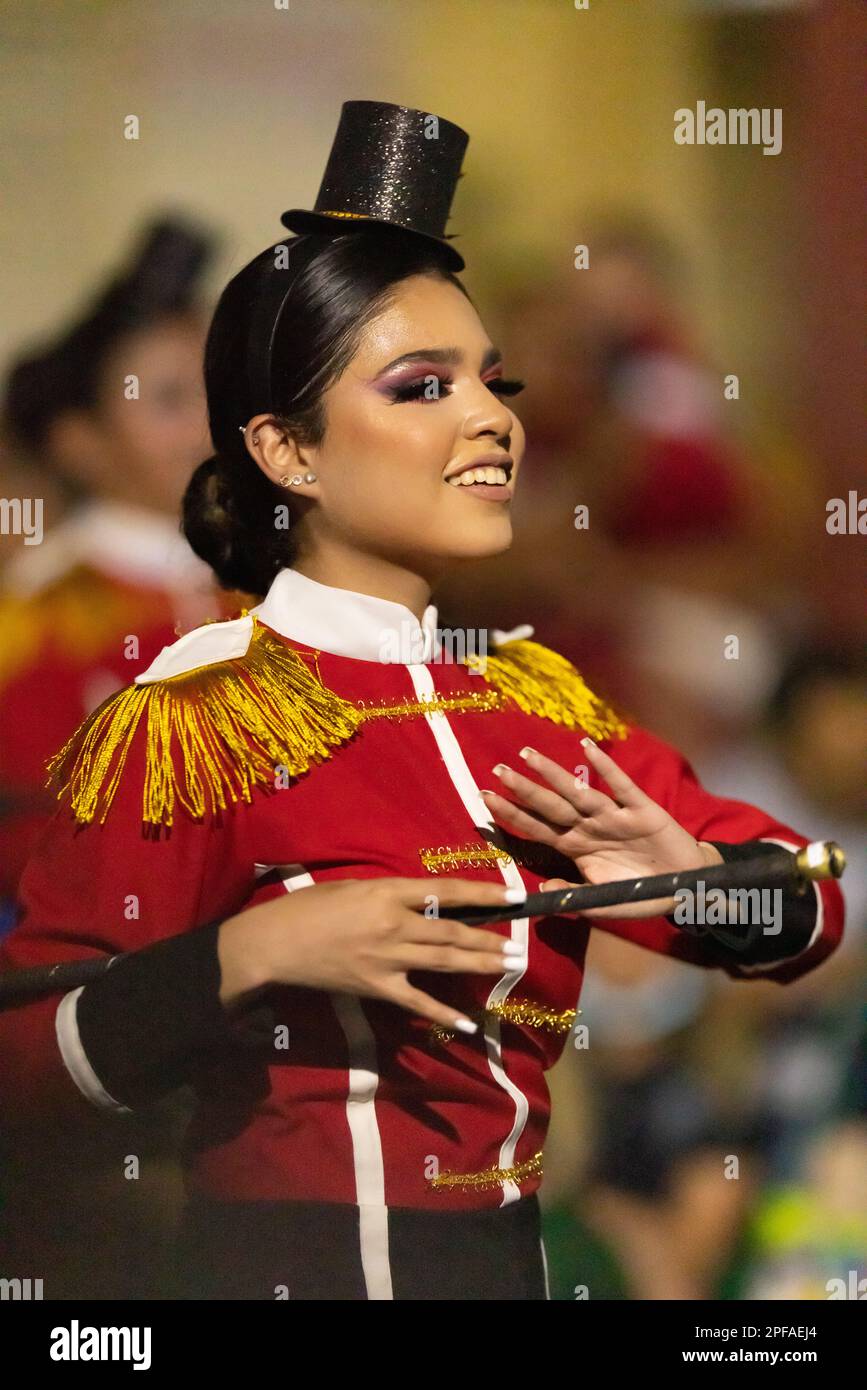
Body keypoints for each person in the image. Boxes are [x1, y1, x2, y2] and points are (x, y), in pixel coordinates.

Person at [0, 101, 845, 1301]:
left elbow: (810, 908)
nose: (493, 419)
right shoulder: (200, 721)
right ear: (288, 454)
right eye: (421, 388)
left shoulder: (532, 697)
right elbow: (26, 1049)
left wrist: (687, 870)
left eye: (489, 382)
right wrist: (248, 953)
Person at [0, 217, 238, 905]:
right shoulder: (37, 623)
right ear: (80, 442)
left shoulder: (272, 589)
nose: (208, 427)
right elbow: (34, 851)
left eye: (216, 393)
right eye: (169, 400)